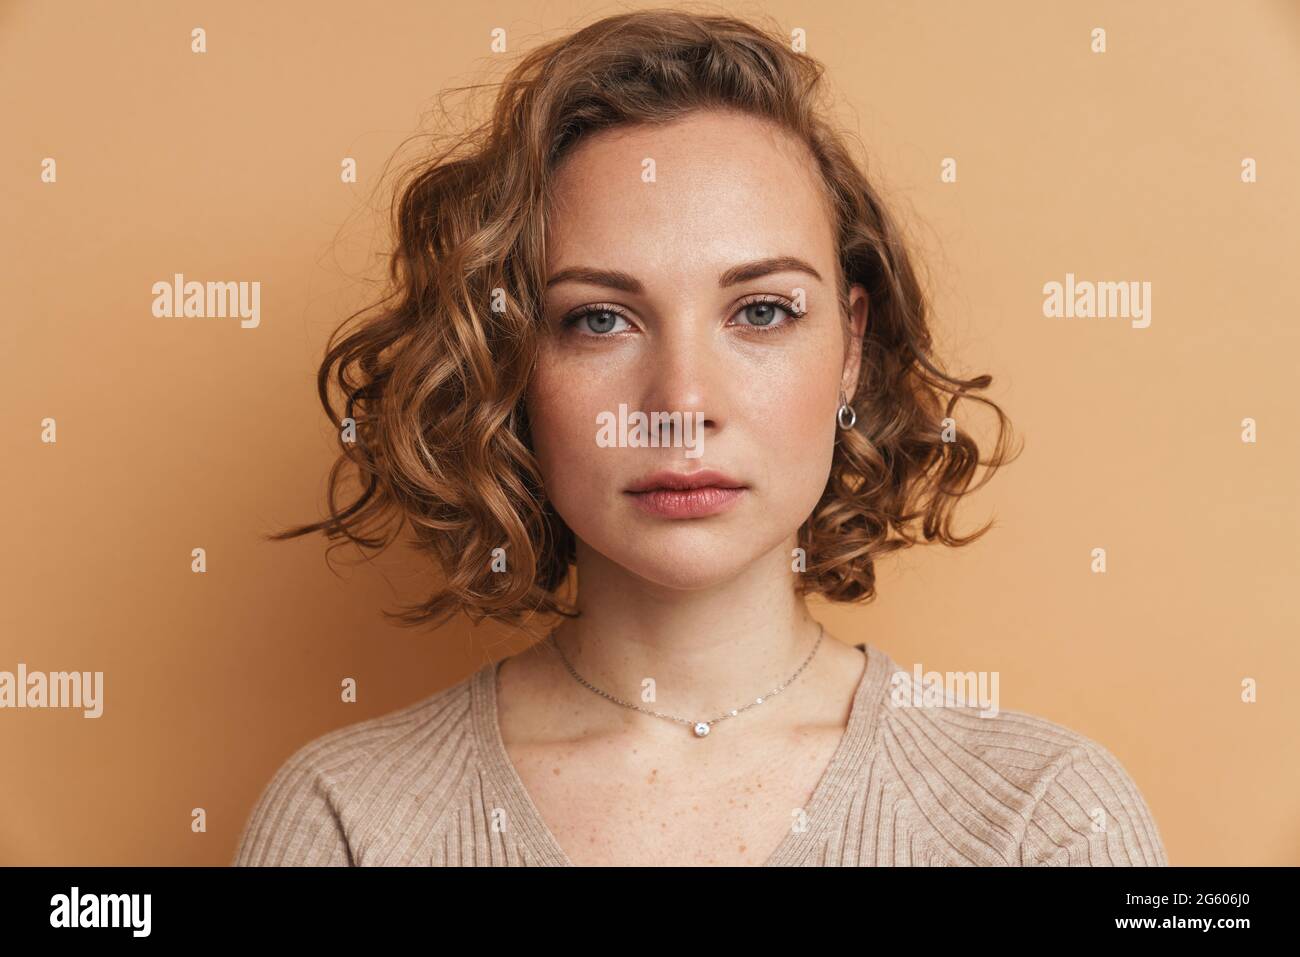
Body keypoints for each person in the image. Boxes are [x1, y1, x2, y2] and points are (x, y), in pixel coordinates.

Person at [234, 9, 1167, 867]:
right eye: (599, 320)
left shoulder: (1044, 821)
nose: (681, 401)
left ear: (851, 346)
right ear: (511, 360)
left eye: (760, 310)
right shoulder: (348, 821)